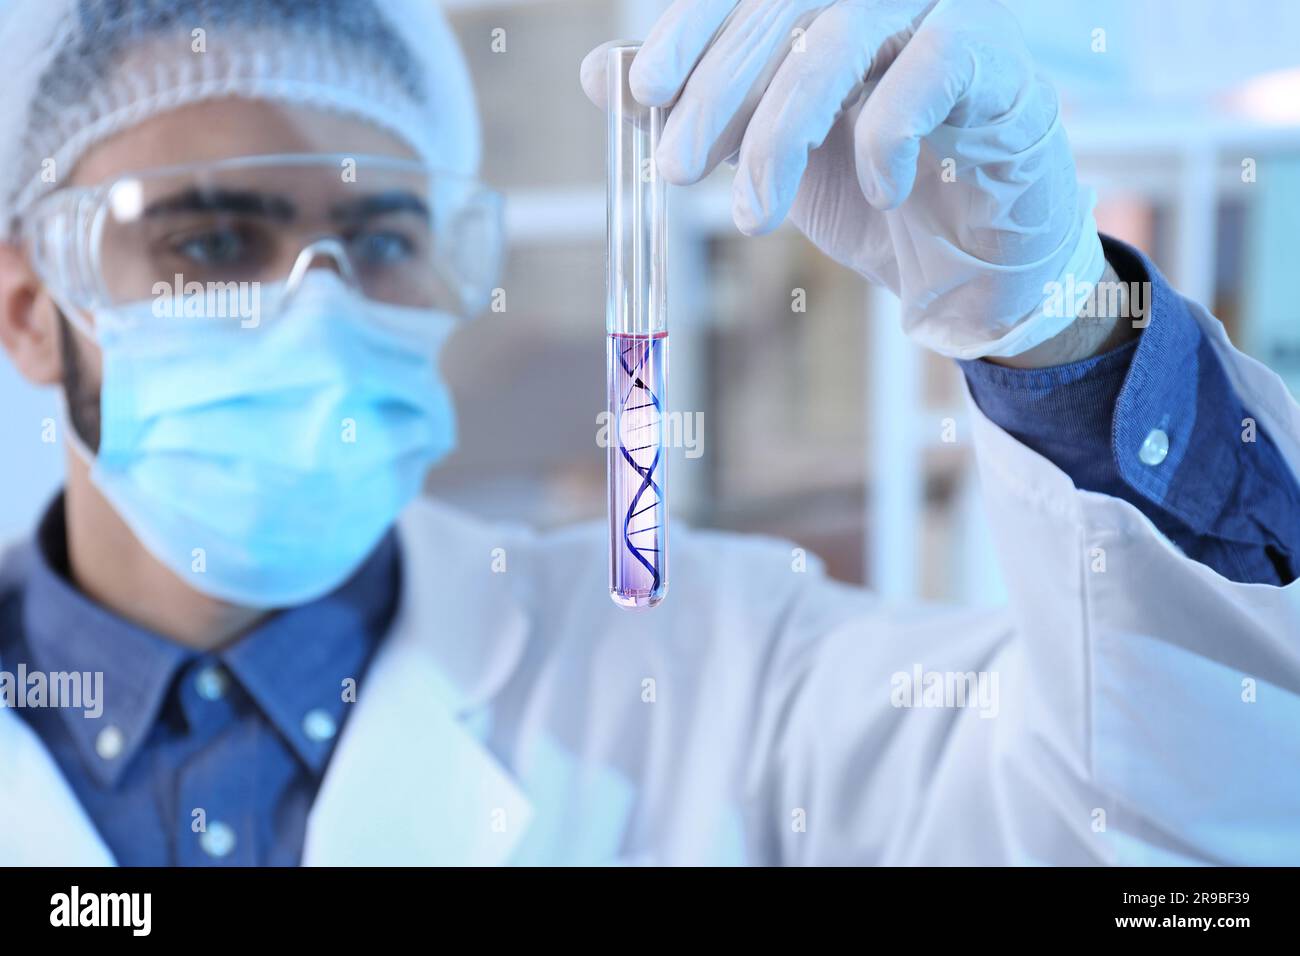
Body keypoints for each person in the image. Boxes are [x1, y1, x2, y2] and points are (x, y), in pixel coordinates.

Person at [0, 0, 1295, 866]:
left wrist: (1059, 332)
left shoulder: (720, 667)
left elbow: (1184, 831)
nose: (315, 308)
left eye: (382, 239)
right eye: (211, 240)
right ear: (28, 311)